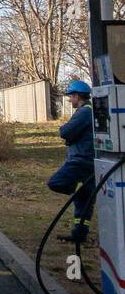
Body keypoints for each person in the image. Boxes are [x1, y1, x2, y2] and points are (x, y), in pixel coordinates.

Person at [47, 80, 96, 243]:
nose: (69, 100)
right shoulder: (89, 110)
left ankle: (77, 188)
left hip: (80, 161)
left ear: (77, 96)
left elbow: (66, 132)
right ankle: (79, 233)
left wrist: (63, 130)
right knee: (84, 203)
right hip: (88, 161)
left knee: (55, 182)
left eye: (70, 96)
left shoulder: (84, 112)